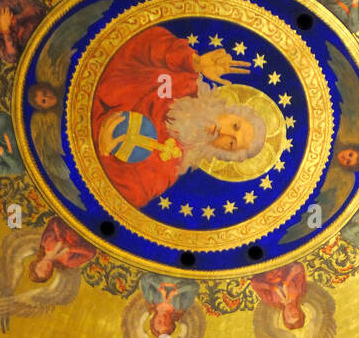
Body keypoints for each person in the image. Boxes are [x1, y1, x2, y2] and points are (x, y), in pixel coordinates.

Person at [91, 28, 262, 208]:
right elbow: (144, 40)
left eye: (231, 144)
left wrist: (103, 156)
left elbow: (125, 200)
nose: (223, 132)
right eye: (235, 125)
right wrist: (194, 62)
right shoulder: (185, 75)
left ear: (220, 153)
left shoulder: (168, 167)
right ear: (230, 111)